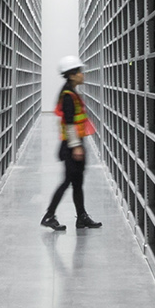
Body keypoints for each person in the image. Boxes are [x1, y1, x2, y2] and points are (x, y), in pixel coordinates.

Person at [41, 63, 101, 231]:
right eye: (79, 72)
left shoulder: (72, 93)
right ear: (72, 75)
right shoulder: (68, 96)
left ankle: (82, 217)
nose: (83, 75)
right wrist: (76, 147)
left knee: (77, 182)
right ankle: (49, 216)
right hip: (71, 146)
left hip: (74, 143)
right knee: (68, 181)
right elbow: (68, 123)